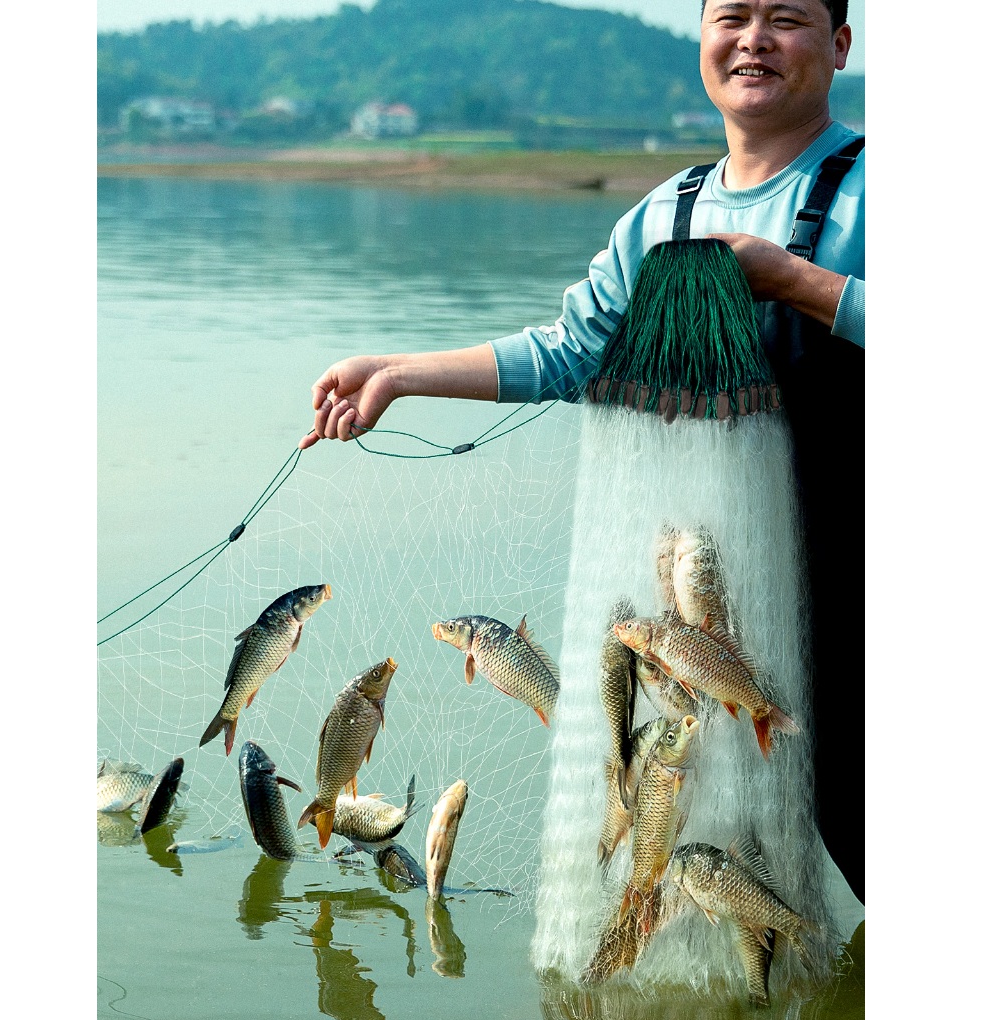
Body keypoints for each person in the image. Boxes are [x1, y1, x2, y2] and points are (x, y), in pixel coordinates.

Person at [301, 0, 864, 905]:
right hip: (714, 607)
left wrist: (795, 281)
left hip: (861, 588)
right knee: (743, 844)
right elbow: (570, 352)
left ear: (838, 45)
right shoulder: (664, 216)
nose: (754, 38)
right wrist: (398, 373)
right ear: (704, 41)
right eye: (732, 15)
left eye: (785, 17)